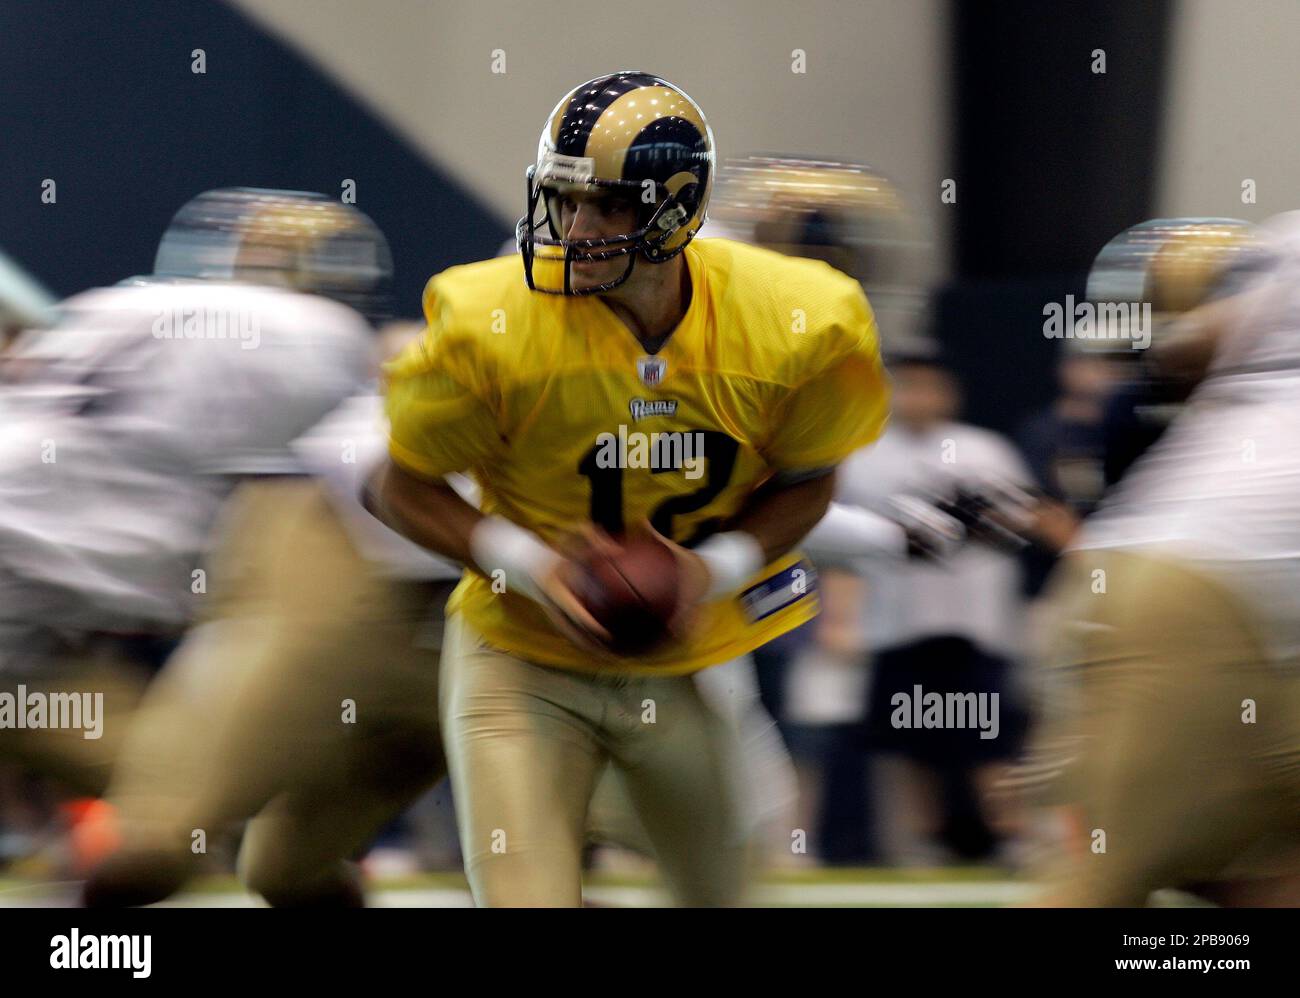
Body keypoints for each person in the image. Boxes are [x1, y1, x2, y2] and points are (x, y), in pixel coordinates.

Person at [367, 71, 891, 906]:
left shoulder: (793, 319)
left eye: (604, 206)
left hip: (680, 660)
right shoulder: (491, 323)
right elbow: (395, 486)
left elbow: (807, 483)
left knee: (724, 897)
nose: (572, 228)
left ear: (674, 208)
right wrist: (535, 566)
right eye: (561, 199)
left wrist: (707, 572)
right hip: (520, 653)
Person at [1031, 214, 1300, 906]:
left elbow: (1183, 346)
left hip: (1165, 556)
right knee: (1106, 880)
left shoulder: (1286, 240)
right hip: (1219, 588)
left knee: (1270, 874)